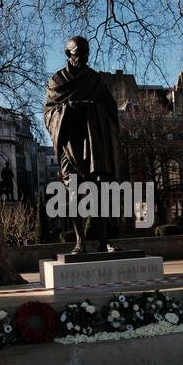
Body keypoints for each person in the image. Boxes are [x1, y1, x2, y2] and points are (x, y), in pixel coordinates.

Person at [44, 36, 120, 254]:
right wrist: (68, 109)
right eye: (80, 53)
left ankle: (104, 242)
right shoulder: (57, 81)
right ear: (69, 54)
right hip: (69, 146)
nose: (84, 58)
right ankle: (80, 242)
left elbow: (110, 108)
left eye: (87, 53)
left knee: (100, 192)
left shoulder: (94, 79)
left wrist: (91, 109)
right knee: (74, 193)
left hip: (93, 145)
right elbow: (49, 114)